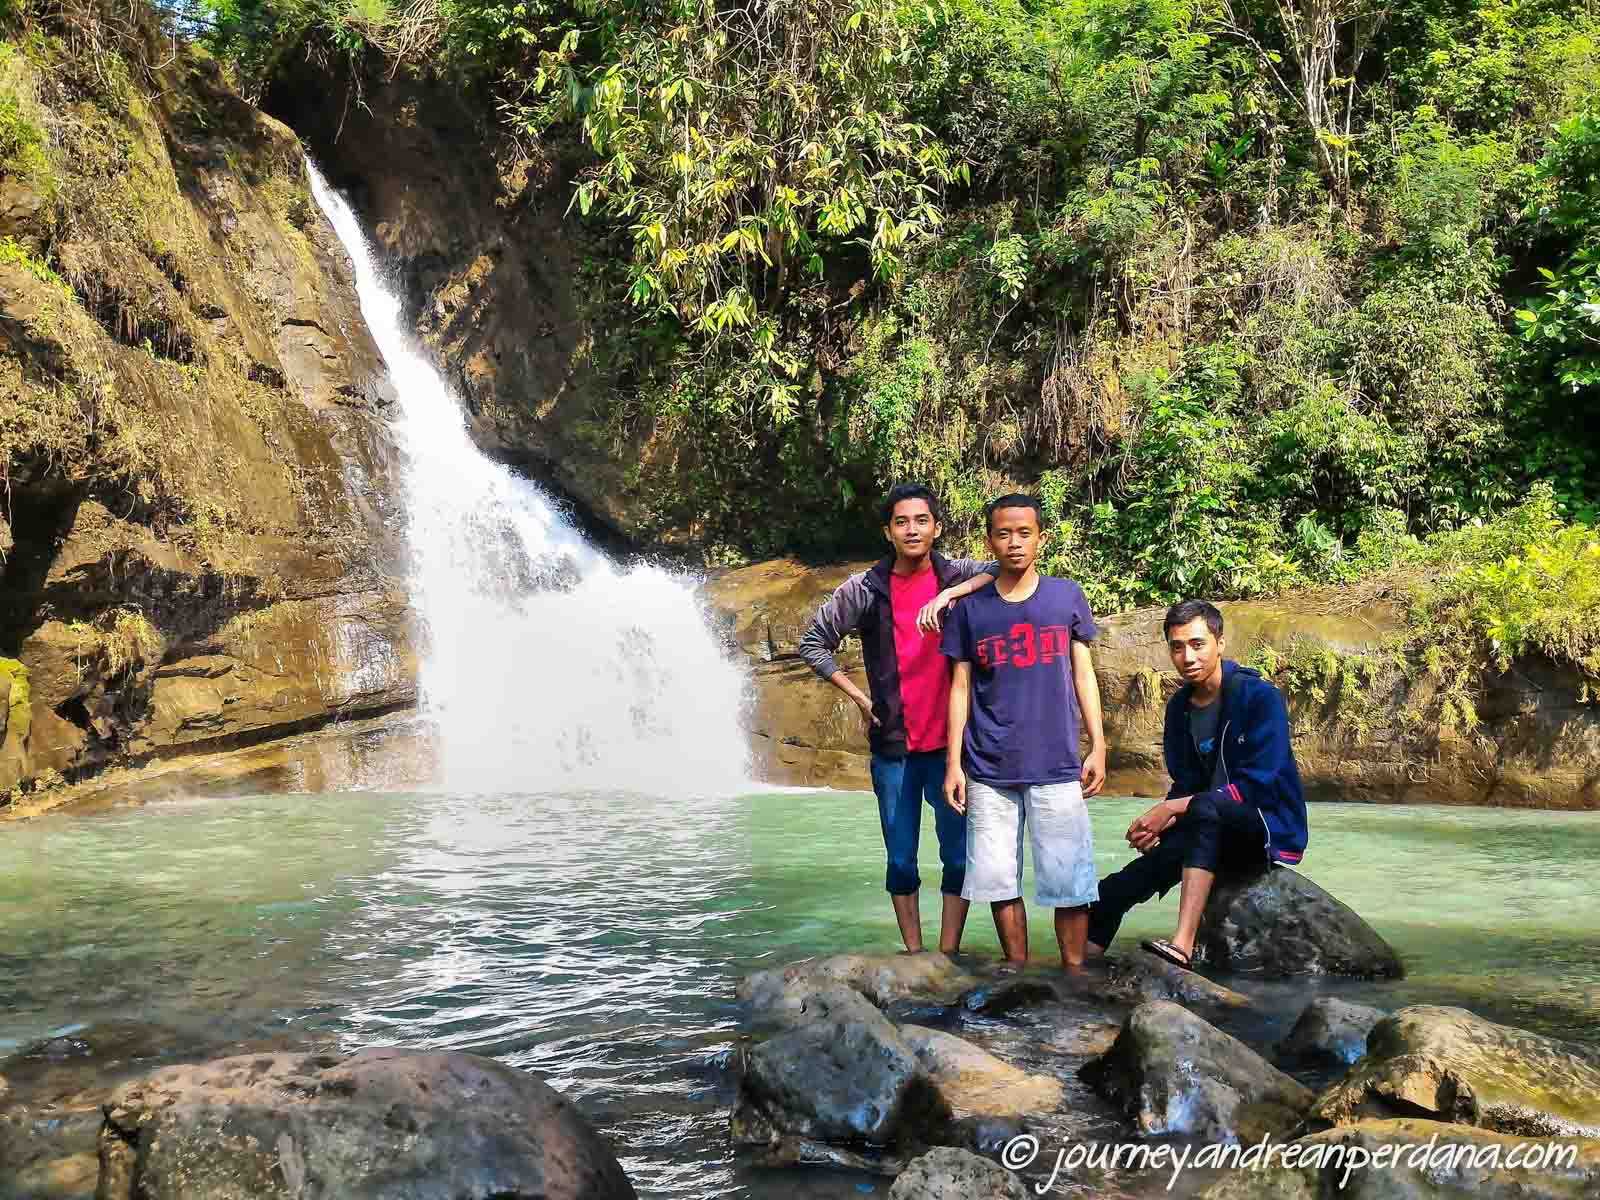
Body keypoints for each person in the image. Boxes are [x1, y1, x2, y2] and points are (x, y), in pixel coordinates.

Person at [798, 484, 997, 954]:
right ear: (888, 532)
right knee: (902, 861)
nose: (912, 530)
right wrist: (858, 697)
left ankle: (946, 954)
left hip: (952, 750)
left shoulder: (956, 575)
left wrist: (951, 596)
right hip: (894, 748)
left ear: (937, 528)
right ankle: (913, 954)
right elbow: (813, 642)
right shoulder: (865, 588)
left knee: (958, 858)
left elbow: (1002, 568)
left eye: (921, 521)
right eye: (901, 522)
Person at [1086, 599, 1309, 968]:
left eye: (1197, 644)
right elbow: (1186, 784)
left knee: (1205, 808)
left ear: (1220, 643)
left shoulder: (1258, 697)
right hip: (1207, 827)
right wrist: (1163, 824)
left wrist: (1171, 809)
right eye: (1177, 647)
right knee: (1114, 889)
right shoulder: (1180, 707)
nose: (1187, 657)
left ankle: (1183, 946)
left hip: (1264, 826)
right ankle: (1078, 975)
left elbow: (1259, 784)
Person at [940, 493, 1106, 970]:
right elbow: (960, 688)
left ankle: (1074, 973)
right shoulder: (970, 610)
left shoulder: (1065, 596)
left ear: (1041, 539)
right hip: (988, 766)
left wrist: (1098, 744)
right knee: (997, 880)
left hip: (1057, 762)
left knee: (1069, 879)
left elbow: (1084, 674)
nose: (1014, 542)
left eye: (1024, 533)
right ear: (989, 541)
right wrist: (954, 763)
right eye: (1004, 533)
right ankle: (1018, 972)